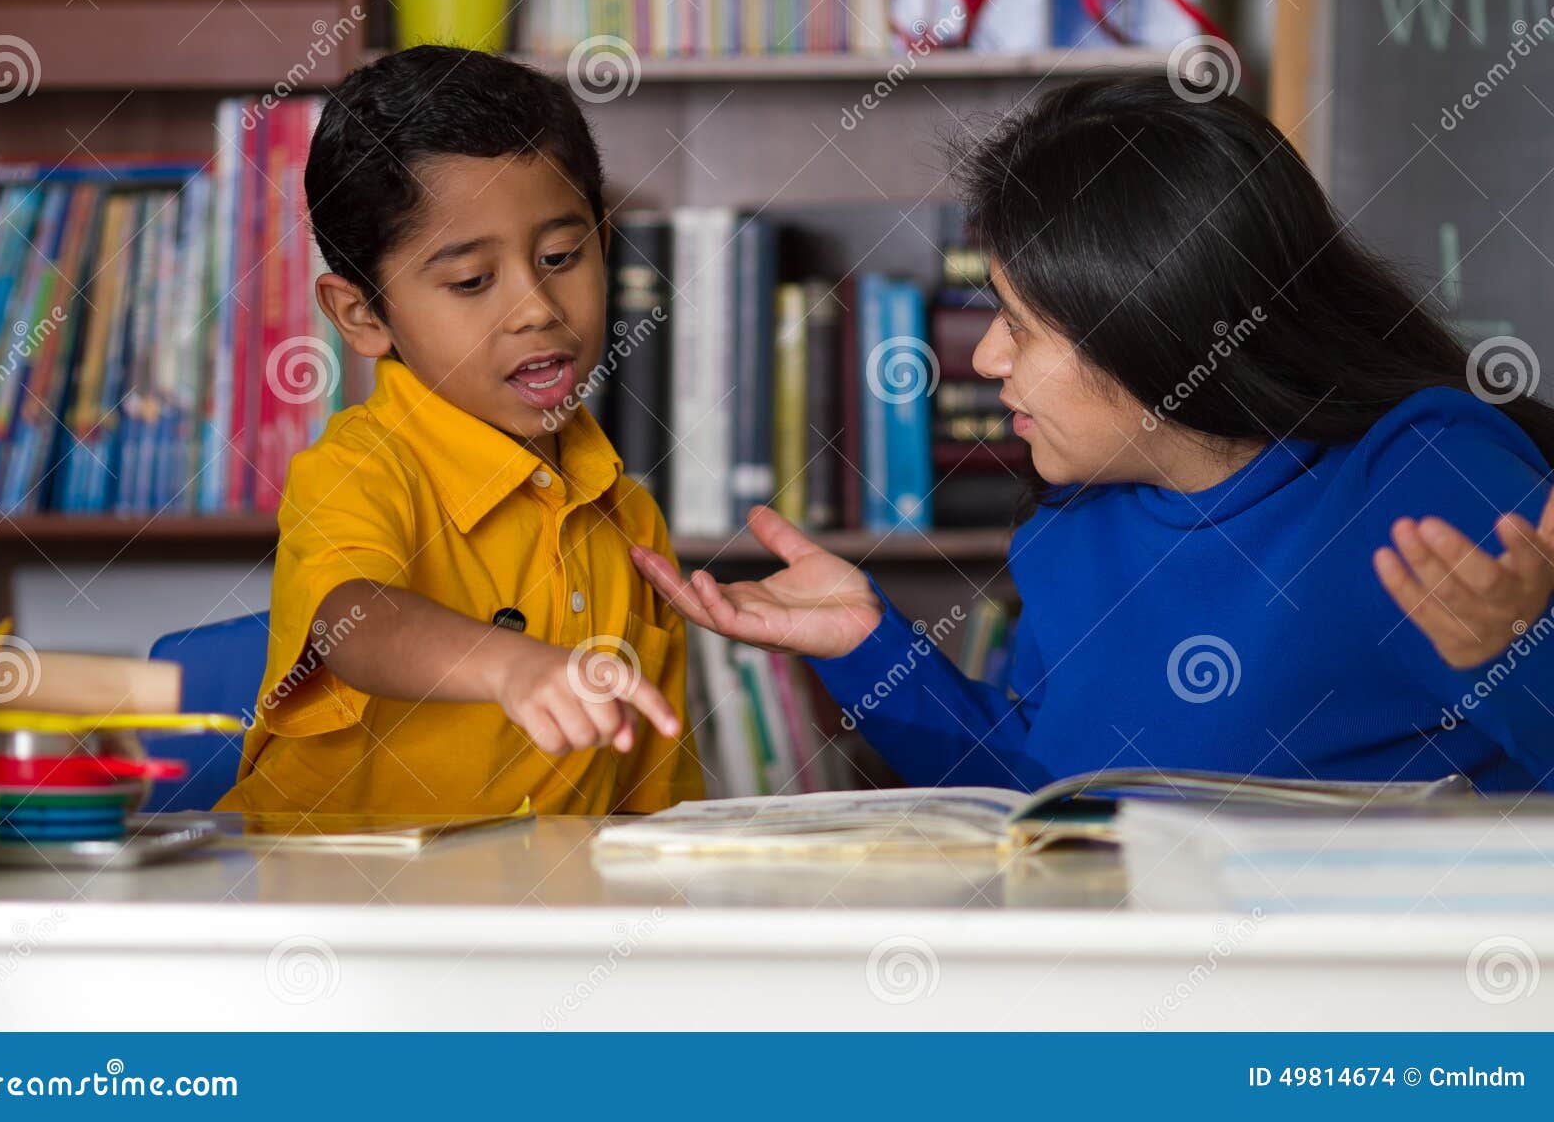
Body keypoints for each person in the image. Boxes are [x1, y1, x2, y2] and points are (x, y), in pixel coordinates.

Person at [632, 75, 1554, 793]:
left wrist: (1523, 650)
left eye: (1020, 324)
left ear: (1152, 326)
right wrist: (869, 648)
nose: (987, 356)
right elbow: (1051, 809)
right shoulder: (1073, 524)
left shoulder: (1427, 472)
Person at [218, 47, 702, 815]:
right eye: (473, 280)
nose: (536, 307)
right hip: (325, 911)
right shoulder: (359, 467)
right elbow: (352, 619)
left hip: (536, 921)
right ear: (362, 314)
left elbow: (652, 810)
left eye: (561, 255)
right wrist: (508, 665)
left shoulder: (628, 518)